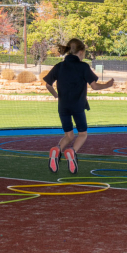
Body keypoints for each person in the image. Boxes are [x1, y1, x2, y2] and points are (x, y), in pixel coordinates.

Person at [42, 39, 114, 174]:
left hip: (63, 107)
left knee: (69, 135)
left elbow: (48, 84)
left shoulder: (59, 66)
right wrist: (107, 85)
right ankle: (72, 151)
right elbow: (94, 86)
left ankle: (57, 150)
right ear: (81, 52)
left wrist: (56, 95)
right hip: (77, 106)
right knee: (82, 134)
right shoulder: (83, 67)